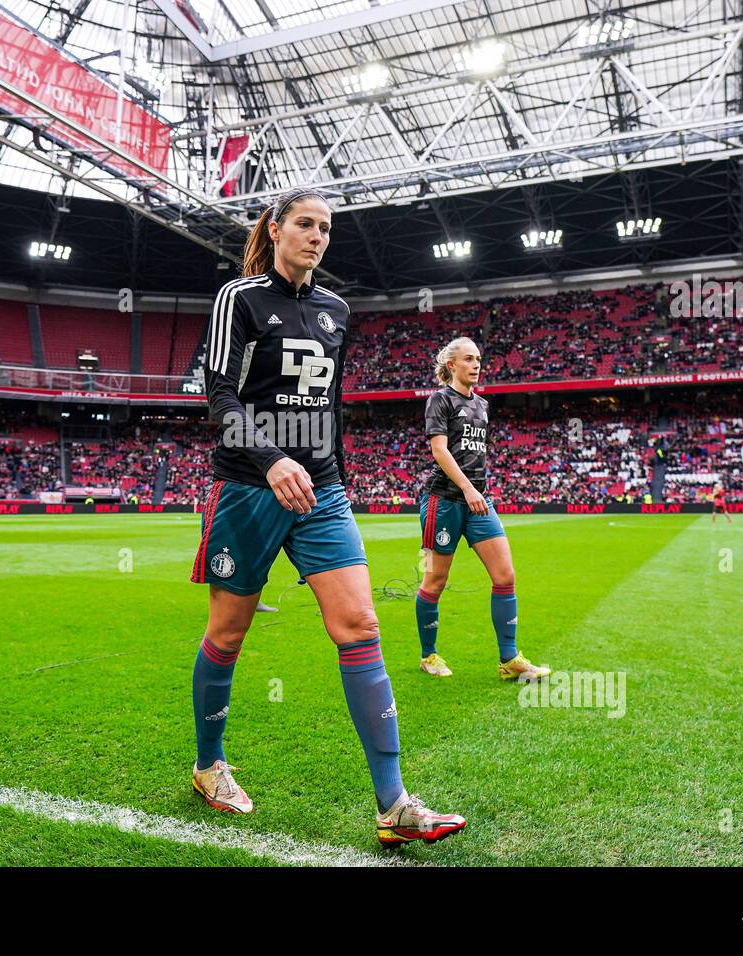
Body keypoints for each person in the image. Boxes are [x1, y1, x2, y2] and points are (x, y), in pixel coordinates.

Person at [188, 185, 465, 847]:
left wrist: (330, 470)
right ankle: (207, 766)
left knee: (360, 623)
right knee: (228, 634)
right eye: (305, 225)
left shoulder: (337, 310)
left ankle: (394, 803)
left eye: (326, 228)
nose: (316, 236)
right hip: (250, 489)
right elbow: (219, 393)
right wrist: (270, 457)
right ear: (276, 229)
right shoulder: (240, 298)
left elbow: (330, 404)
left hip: (321, 492)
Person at [415, 336, 551, 683]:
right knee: (435, 580)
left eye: (478, 359)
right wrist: (466, 487)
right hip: (443, 501)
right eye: (469, 359)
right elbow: (440, 451)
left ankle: (509, 660)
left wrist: (476, 490)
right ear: (451, 365)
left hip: (479, 500)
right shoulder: (439, 400)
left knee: (505, 576)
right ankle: (428, 655)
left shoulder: (483, 406)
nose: (476, 365)